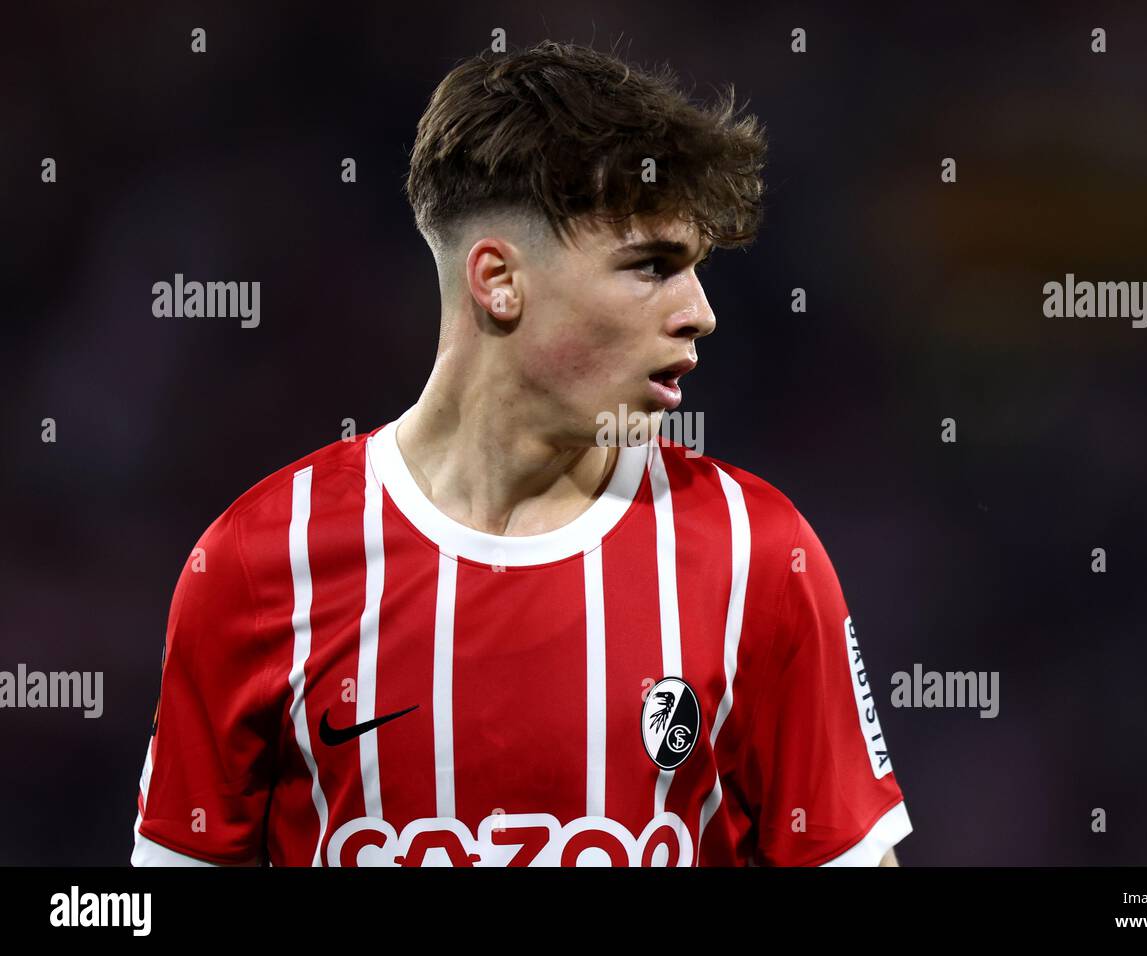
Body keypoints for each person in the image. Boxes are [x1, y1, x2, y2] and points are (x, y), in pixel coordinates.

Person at [131, 39, 911, 867]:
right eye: (652, 266)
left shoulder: (758, 555)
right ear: (498, 280)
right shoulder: (258, 564)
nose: (700, 313)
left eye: (698, 269)